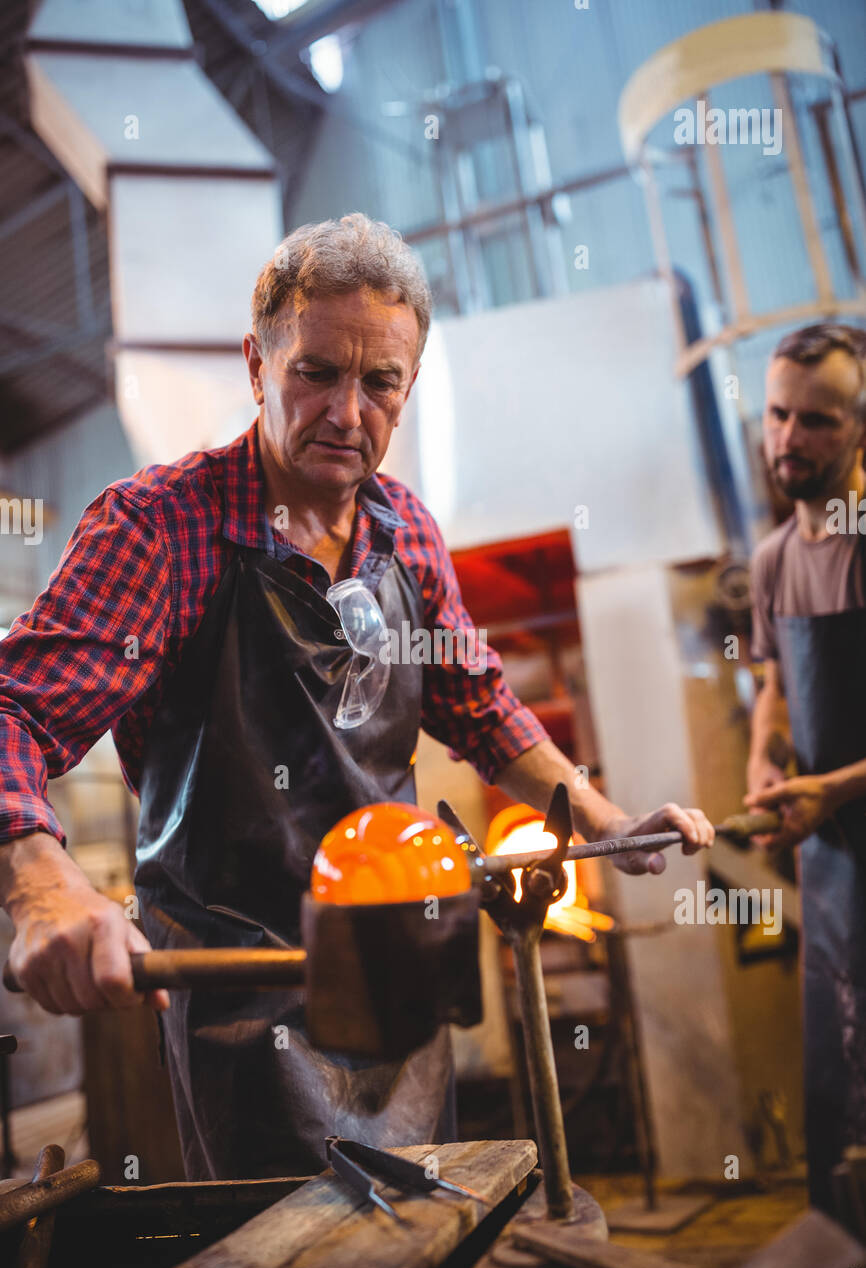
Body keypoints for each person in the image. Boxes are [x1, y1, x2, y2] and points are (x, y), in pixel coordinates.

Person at [0, 213, 714, 1179]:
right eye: (316, 373)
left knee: (428, 1228)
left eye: (381, 383)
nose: (348, 412)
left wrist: (603, 817)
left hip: (401, 949)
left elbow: (477, 703)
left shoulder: (407, 531)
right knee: (297, 1258)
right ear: (257, 365)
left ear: (408, 386)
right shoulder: (159, 528)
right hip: (242, 978)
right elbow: (17, 714)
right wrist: (45, 889)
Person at [746, 322, 866, 1214]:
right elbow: (778, 687)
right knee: (839, 1075)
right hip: (827, 870)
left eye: (818, 421)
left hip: (845, 819)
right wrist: (762, 763)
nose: (789, 438)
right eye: (779, 414)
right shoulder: (774, 559)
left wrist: (833, 789)